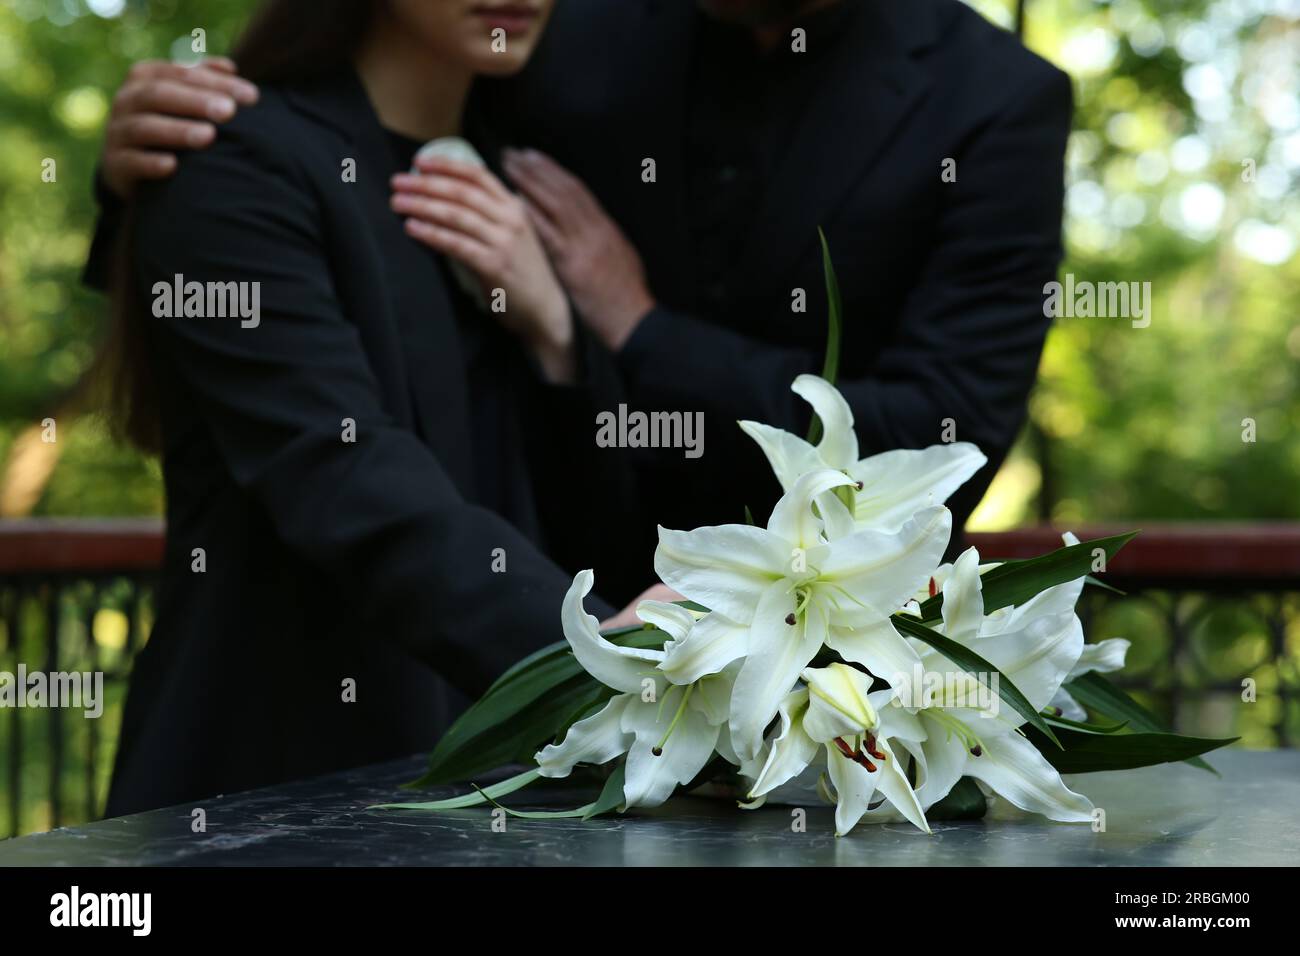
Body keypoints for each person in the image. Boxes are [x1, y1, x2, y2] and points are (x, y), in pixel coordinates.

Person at [90, 0, 1074, 580]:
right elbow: (359, 144)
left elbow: (941, 445)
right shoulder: (557, 23)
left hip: (820, 654)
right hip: (489, 626)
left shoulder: (995, 100)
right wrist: (161, 173)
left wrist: (632, 328)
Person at [90, 0, 667, 817]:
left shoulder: (532, 186)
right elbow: (341, 474)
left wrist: (558, 341)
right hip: (267, 799)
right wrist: (596, 657)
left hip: (505, 802)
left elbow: (572, 509)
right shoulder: (231, 158)